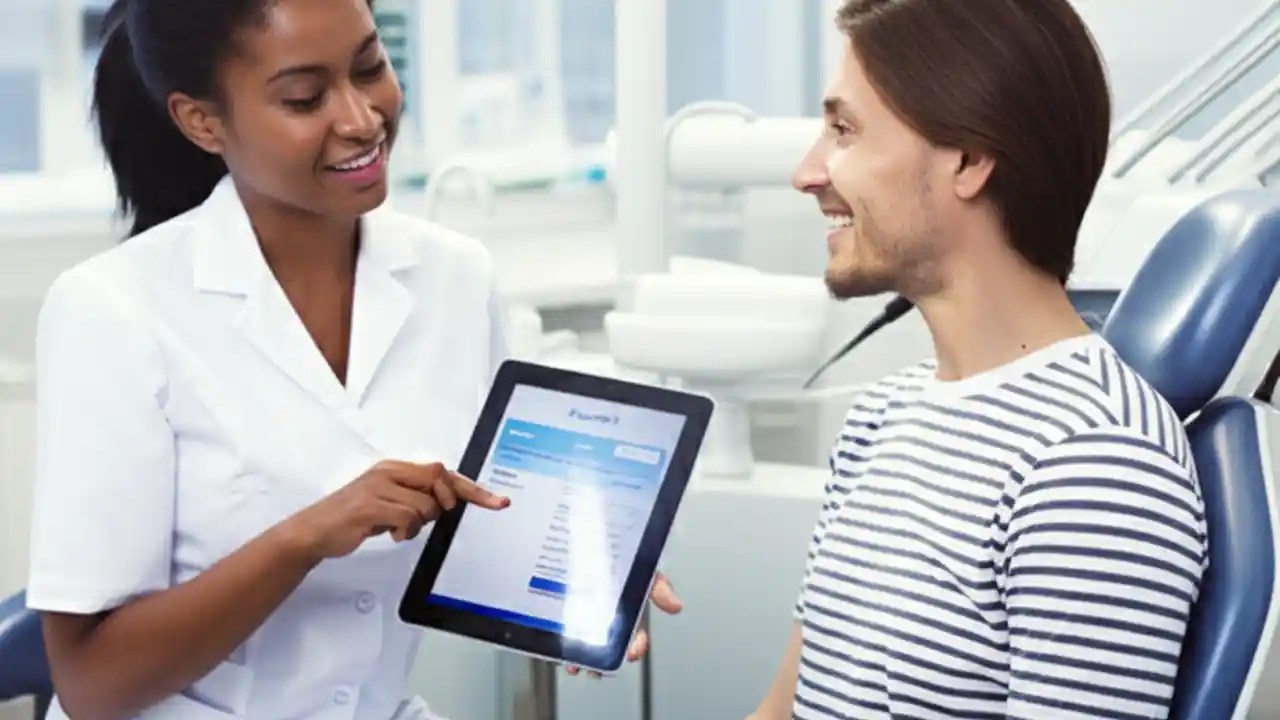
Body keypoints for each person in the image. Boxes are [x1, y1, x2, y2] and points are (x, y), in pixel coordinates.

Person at [26, 1, 677, 718]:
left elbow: (490, 511)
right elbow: (91, 684)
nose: (362, 118)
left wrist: (587, 575)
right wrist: (303, 539)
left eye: (371, 67)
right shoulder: (114, 309)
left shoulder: (455, 277)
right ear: (202, 121)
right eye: (305, 98)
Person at [749, 1, 1208, 718]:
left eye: (844, 131)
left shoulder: (1092, 464)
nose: (809, 172)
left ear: (968, 159)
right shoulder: (881, 419)